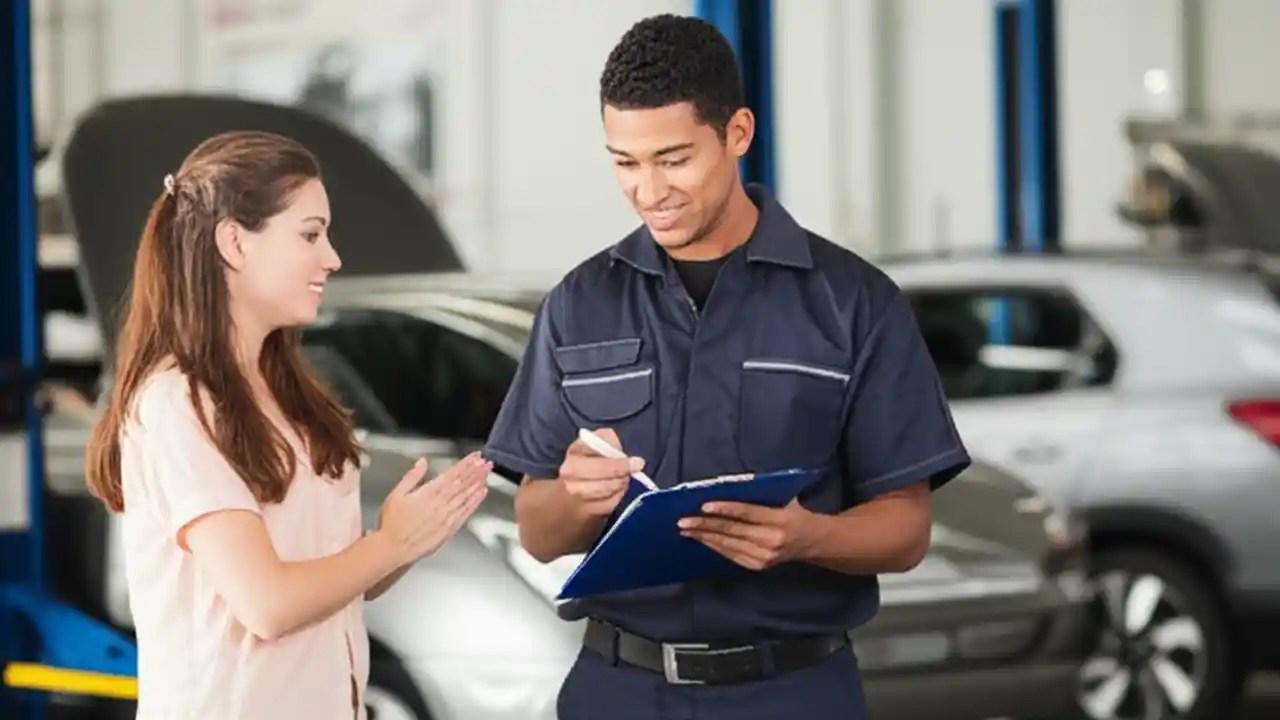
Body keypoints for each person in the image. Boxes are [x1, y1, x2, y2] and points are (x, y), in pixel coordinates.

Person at [484, 14, 970, 719]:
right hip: (619, 689)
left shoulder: (853, 303)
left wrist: (811, 538)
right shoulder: (579, 305)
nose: (649, 190)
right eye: (625, 162)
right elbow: (536, 528)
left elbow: (907, 528)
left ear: (736, 134)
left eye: (674, 159)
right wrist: (573, 497)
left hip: (795, 692)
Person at [84, 130, 492, 719]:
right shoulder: (176, 405)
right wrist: (389, 543)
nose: (332, 257)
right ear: (234, 243)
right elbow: (268, 602)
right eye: (310, 234)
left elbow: (339, 578)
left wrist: (409, 540)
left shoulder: (288, 393)